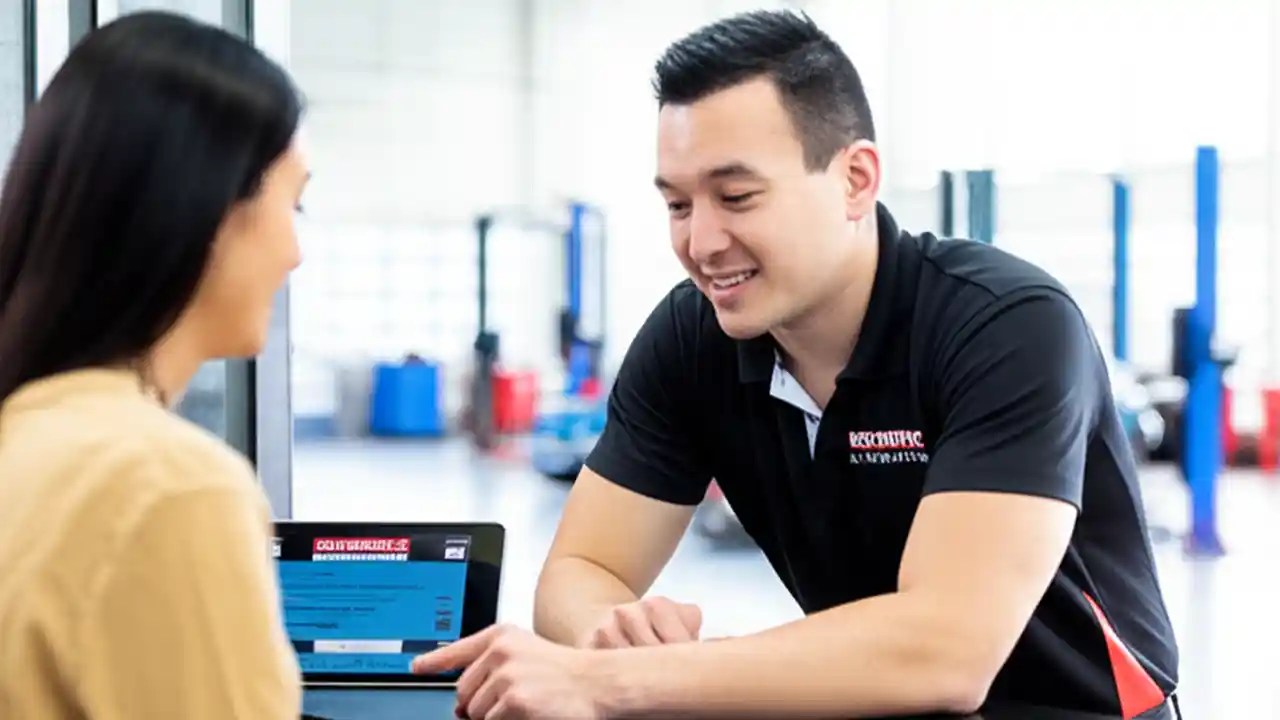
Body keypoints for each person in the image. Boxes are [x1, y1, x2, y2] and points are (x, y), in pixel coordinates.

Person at [411, 9, 1181, 720]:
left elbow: (949, 650)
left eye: (737, 197)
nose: (701, 243)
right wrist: (611, 633)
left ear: (855, 179)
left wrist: (614, 682)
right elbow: (580, 566)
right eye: (678, 205)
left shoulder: (1005, 326)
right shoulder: (694, 338)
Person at [0, 12, 308, 719]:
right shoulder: (168, 486)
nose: (296, 252)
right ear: (204, 206)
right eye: (295, 203)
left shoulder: (26, 435)